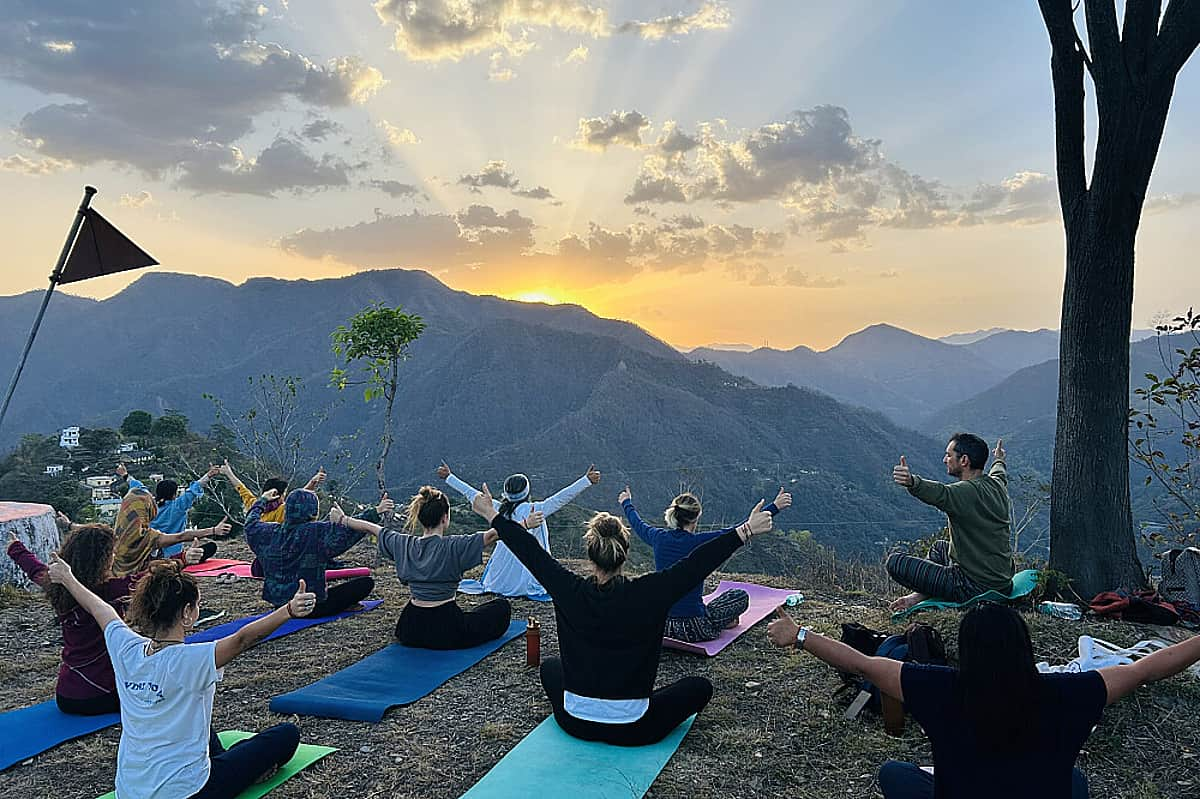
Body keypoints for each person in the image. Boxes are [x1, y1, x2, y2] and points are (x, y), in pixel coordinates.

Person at [769, 601, 1200, 799]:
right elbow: (1146, 668)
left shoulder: (939, 688)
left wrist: (800, 636)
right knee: (1075, 784)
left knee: (895, 775)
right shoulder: (1072, 692)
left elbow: (864, 665)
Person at [470, 483, 773, 746]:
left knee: (550, 667)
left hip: (574, 721)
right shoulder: (651, 591)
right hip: (636, 728)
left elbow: (529, 550)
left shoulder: (567, 588)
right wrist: (745, 530)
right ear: (625, 553)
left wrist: (492, 515)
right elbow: (697, 563)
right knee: (699, 687)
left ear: (590, 553)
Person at [46, 556, 309, 799]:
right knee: (286, 734)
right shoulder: (192, 660)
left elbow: (100, 609)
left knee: (199, 721)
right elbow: (244, 638)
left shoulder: (126, 647)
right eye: (196, 605)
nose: (198, 610)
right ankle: (243, 766)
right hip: (190, 792)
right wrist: (288, 610)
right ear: (186, 613)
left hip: (129, 791)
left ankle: (236, 760)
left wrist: (67, 577)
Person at [337, 486, 544, 649]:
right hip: (446, 629)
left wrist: (343, 519)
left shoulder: (403, 543)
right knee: (501, 608)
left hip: (409, 627)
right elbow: (493, 534)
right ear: (445, 518)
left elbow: (370, 527)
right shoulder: (455, 546)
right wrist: (525, 524)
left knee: (481, 612)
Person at [619, 485, 791, 642]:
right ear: (696, 518)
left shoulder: (657, 537)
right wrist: (775, 506)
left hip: (662, 625)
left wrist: (626, 501)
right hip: (695, 628)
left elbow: (637, 523)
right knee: (739, 596)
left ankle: (723, 621)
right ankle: (724, 622)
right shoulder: (701, 542)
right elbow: (741, 530)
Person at [6, 524, 133, 715]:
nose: (114, 557)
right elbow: (151, 578)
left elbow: (33, 568)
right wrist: (182, 559)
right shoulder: (112, 591)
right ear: (102, 560)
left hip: (65, 696)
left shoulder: (56, 585)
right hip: (102, 695)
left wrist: (15, 547)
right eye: (111, 553)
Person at [437, 462, 601, 599]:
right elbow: (562, 497)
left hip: (499, 577)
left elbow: (470, 493)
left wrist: (449, 477)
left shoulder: (499, 509)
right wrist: (586, 480)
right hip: (528, 574)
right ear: (527, 491)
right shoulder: (536, 509)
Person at [888, 435, 1013, 611]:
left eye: (948, 455)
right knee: (940, 547)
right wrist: (999, 459)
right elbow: (999, 472)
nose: (944, 459)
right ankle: (919, 595)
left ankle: (925, 593)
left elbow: (940, 493)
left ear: (964, 460)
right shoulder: (996, 484)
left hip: (974, 586)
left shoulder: (965, 492)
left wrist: (911, 482)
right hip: (1001, 583)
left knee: (895, 563)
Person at [245, 487, 392, 617]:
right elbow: (349, 529)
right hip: (312, 607)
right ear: (313, 511)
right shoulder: (316, 532)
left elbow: (250, 522)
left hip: (280, 606)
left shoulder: (266, 532)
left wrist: (263, 500)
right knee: (366, 583)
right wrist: (377, 511)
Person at [220, 460, 326, 575]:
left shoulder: (255, 506)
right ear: (277, 495)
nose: (284, 498)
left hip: (266, 556)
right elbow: (299, 498)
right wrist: (313, 482)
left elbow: (241, 488)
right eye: (284, 494)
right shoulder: (283, 510)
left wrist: (228, 473)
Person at [111, 486, 229, 578]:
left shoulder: (112, 537)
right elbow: (181, 537)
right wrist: (213, 530)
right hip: (141, 581)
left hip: (117, 582)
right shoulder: (147, 536)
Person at [126, 464, 222, 556]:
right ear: (173, 495)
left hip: (148, 552)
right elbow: (194, 489)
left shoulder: (149, 505)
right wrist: (208, 475)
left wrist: (125, 475)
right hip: (172, 555)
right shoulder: (178, 506)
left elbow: (139, 487)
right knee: (210, 547)